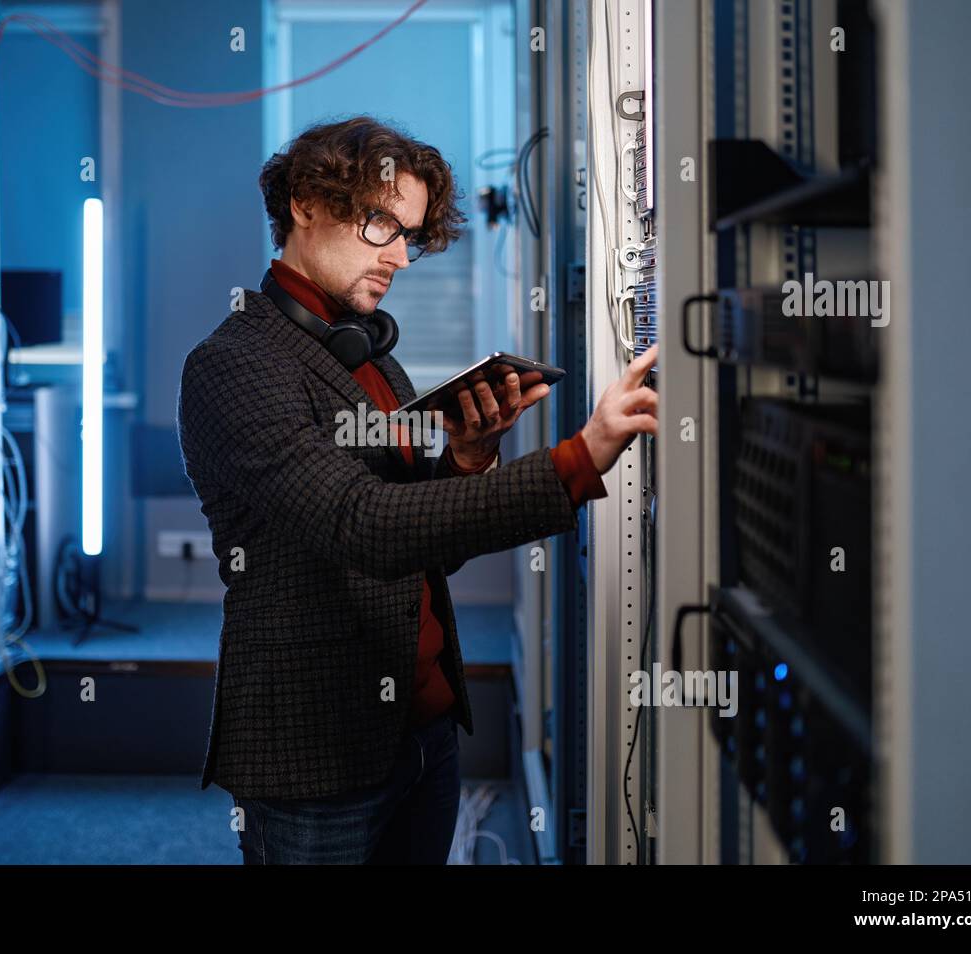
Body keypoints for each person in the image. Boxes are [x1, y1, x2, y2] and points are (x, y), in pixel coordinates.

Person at [177, 116, 658, 864]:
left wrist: (467, 459)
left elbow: (420, 544)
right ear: (306, 202)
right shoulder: (234, 366)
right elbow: (366, 525)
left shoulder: (373, 355)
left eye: (410, 235)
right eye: (382, 225)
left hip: (425, 728)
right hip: (317, 752)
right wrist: (579, 460)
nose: (401, 256)